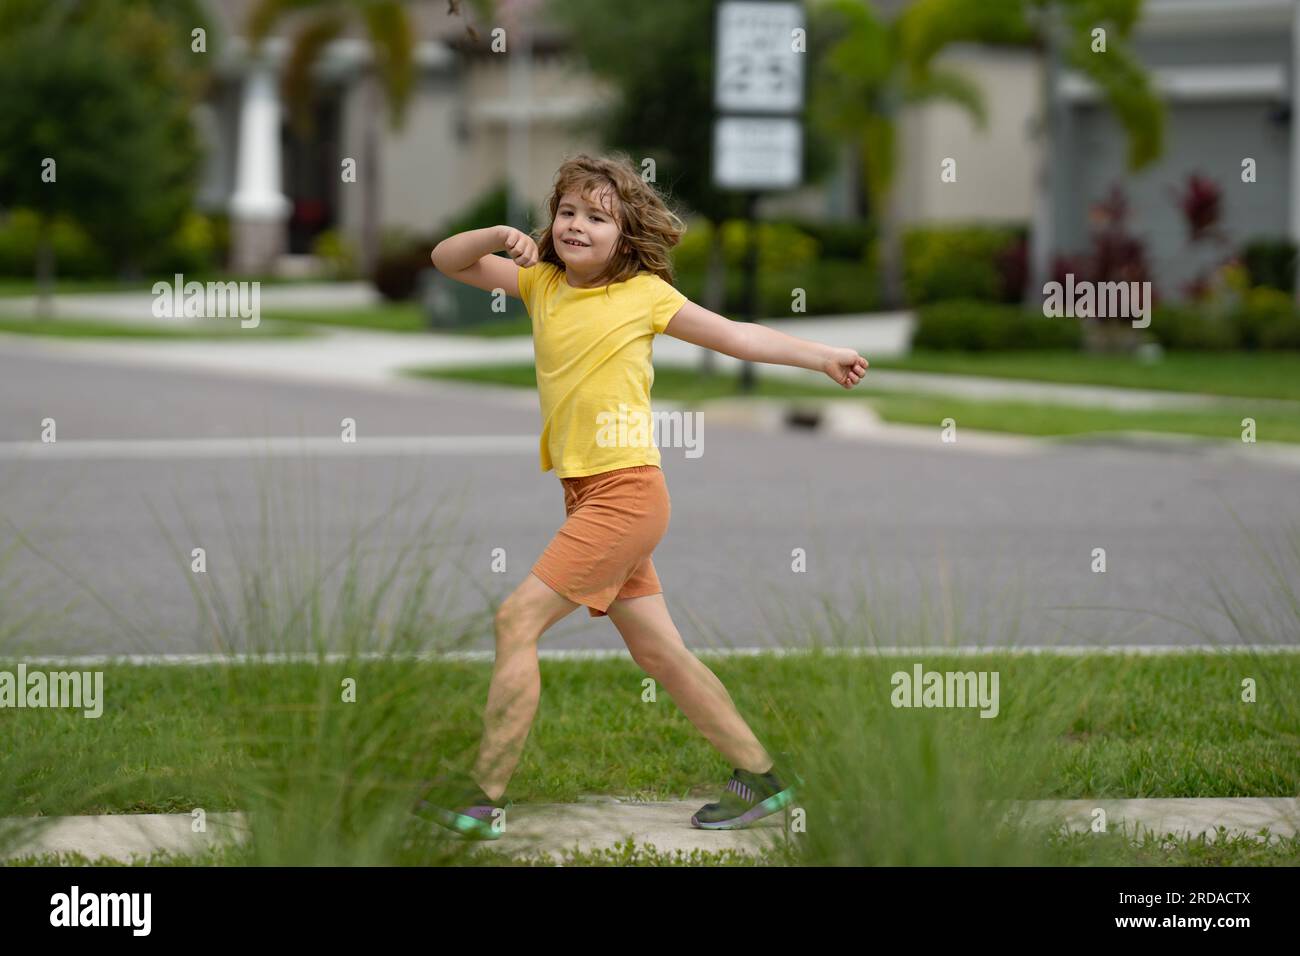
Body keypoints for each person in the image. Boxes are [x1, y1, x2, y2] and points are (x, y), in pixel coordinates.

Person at [416, 152, 868, 840]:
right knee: (660, 654)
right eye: (567, 212)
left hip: (626, 496)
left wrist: (821, 356)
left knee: (516, 622)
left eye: (597, 217)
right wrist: (492, 236)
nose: (575, 226)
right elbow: (447, 260)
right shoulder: (540, 283)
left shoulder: (645, 295)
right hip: (589, 495)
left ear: (625, 236)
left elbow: (738, 337)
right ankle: (762, 778)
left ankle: (482, 797)